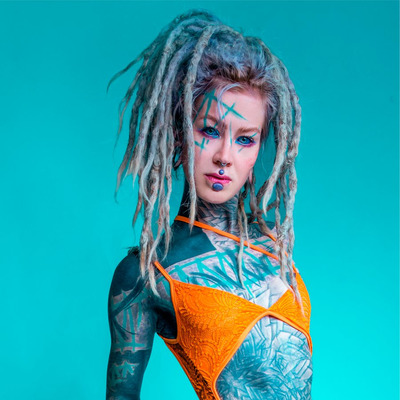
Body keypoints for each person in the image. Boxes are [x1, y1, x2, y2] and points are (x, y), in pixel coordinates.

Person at [106, 9, 312, 400]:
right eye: (209, 130)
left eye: (245, 139)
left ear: (258, 150)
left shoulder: (273, 243)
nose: (224, 157)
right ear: (180, 134)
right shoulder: (146, 273)